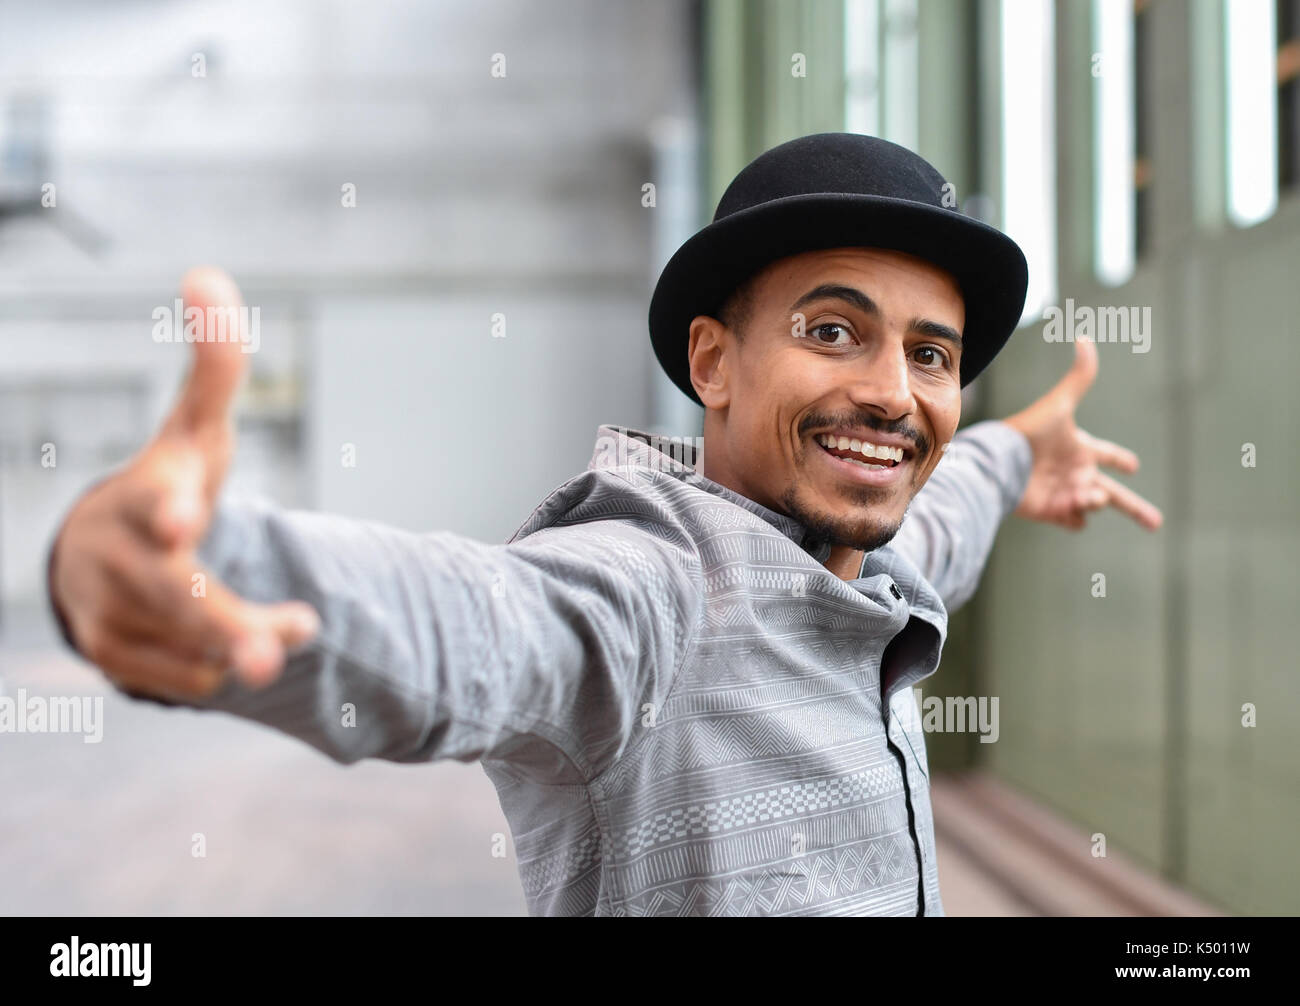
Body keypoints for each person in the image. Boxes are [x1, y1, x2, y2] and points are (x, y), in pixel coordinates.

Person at [46, 132, 1162, 916]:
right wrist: (181, 567)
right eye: (832, 330)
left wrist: (1021, 450)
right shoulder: (651, 588)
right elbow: (482, 622)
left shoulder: (878, 564)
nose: (890, 392)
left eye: (931, 355)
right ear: (712, 362)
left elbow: (952, 507)